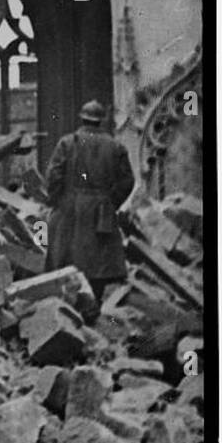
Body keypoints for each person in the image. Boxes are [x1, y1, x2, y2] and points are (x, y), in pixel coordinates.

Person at [44, 100, 136, 304]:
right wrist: (111, 201)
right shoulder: (116, 146)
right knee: (99, 265)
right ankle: (95, 304)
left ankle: (71, 307)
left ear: (82, 118)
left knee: (66, 261)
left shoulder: (68, 143)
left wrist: (57, 200)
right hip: (101, 211)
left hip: (70, 209)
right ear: (101, 121)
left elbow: (53, 176)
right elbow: (128, 180)